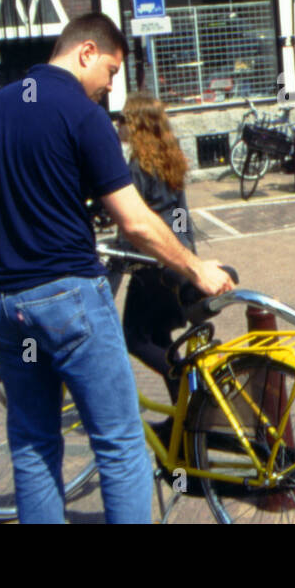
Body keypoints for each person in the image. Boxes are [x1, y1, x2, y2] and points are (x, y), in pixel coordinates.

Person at [0, 13, 234, 523]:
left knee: (31, 444)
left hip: (1, 302)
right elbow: (135, 221)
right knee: (120, 445)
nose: (110, 87)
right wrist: (196, 268)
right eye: (111, 71)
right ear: (86, 52)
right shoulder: (80, 113)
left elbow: (15, 197)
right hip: (66, 297)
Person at [113, 92, 198, 399]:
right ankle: (184, 421)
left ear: (136, 124)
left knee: (134, 338)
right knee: (160, 338)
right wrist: (188, 255)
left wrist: (120, 254)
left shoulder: (137, 166)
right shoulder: (170, 160)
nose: (117, 124)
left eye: (122, 119)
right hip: (175, 262)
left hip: (151, 266)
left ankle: (188, 378)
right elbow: (179, 214)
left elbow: (133, 220)